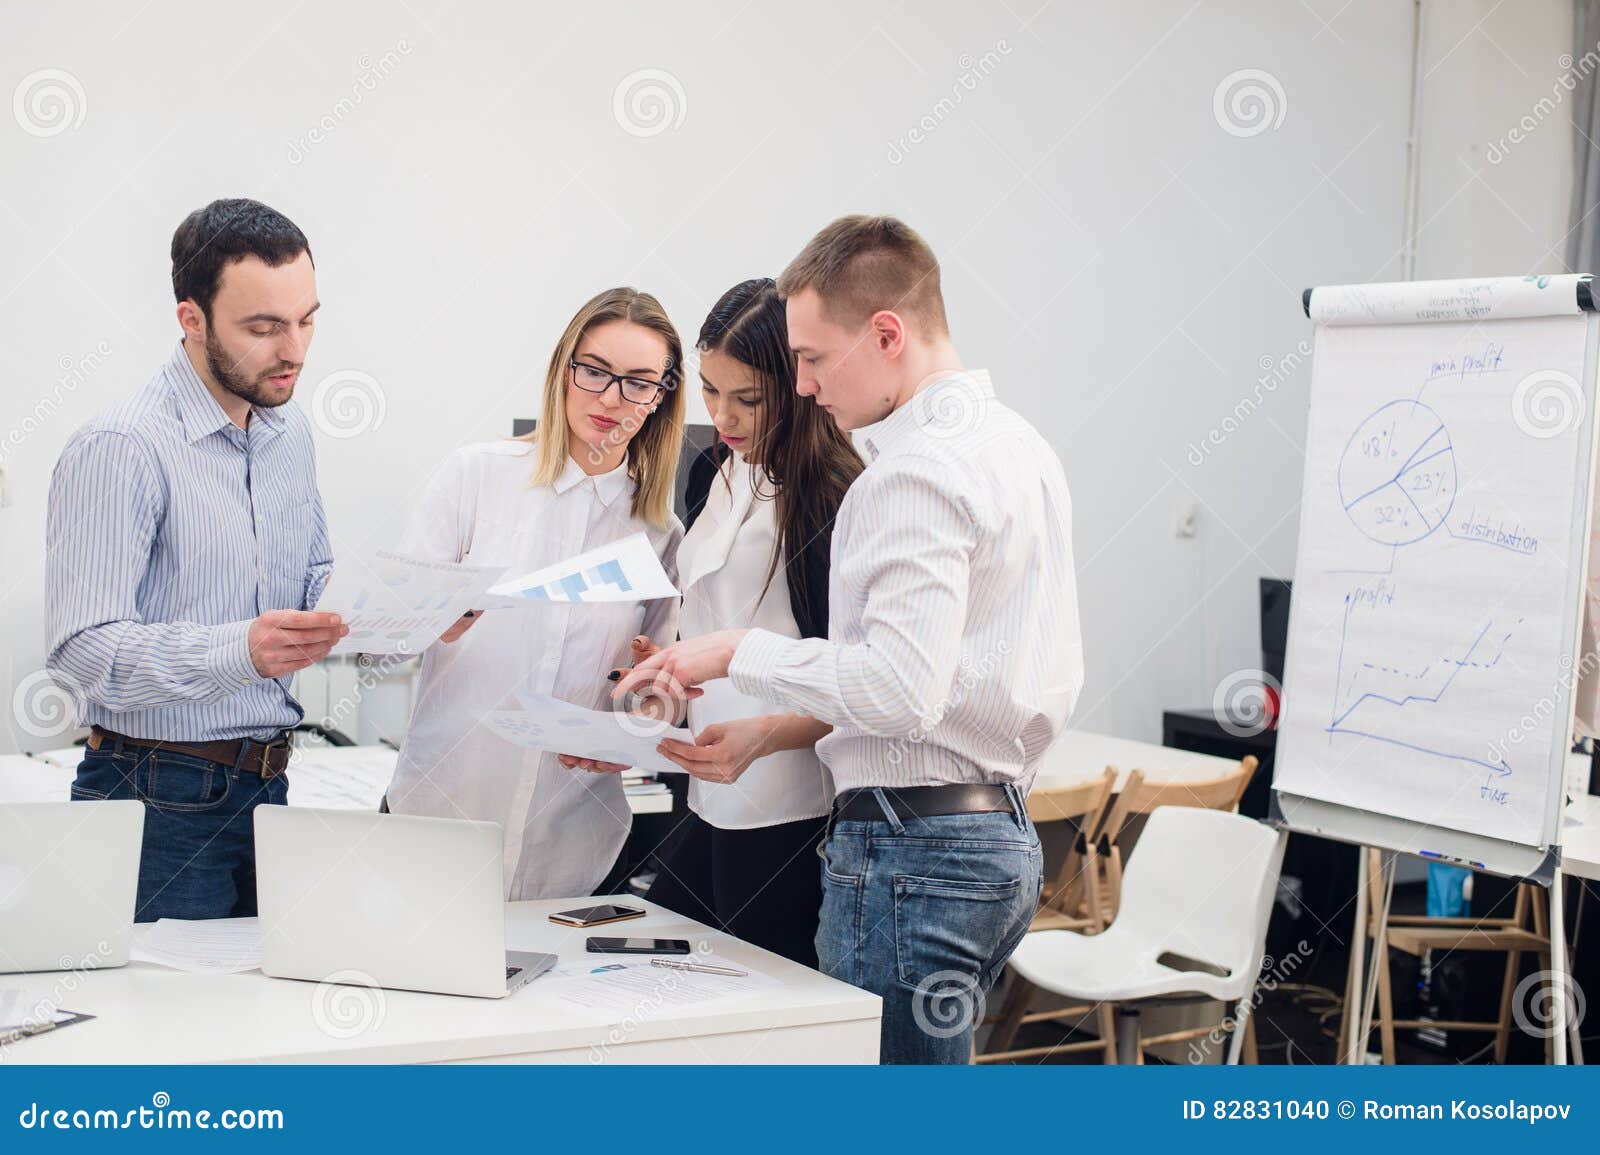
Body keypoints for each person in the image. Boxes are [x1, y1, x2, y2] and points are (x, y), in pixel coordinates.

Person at [617, 216, 1084, 1063]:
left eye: (813, 359)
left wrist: (733, 654)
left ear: (887, 333)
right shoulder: (1017, 446)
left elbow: (900, 690)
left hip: (910, 842)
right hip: (988, 832)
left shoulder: (908, 472)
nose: (804, 384)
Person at [46, 198, 345, 922]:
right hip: (154, 792)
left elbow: (309, 584)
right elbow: (80, 651)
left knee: (257, 1028)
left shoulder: (289, 432)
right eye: (264, 327)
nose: (294, 350)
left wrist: (403, 620)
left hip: (270, 787)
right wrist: (240, 648)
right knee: (172, 1029)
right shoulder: (122, 446)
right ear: (192, 320)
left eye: (306, 319)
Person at [384, 287, 686, 900]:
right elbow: (378, 648)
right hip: (439, 819)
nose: (610, 398)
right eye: (595, 371)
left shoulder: (659, 533)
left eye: (638, 382)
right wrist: (426, 622)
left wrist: (644, 714)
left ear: (661, 398)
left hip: (573, 841)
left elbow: (658, 688)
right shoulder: (476, 477)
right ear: (563, 368)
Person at [613, 278, 863, 966]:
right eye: (710, 390)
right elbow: (711, 623)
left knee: (757, 1002)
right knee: (654, 960)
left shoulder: (832, 493)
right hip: (709, 786)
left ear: (797, 382)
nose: (724, 415)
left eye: (747, 398)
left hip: (789, 801)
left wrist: (765, 735)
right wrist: (664, 666)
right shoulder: (715, 473)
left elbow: (862, 680)